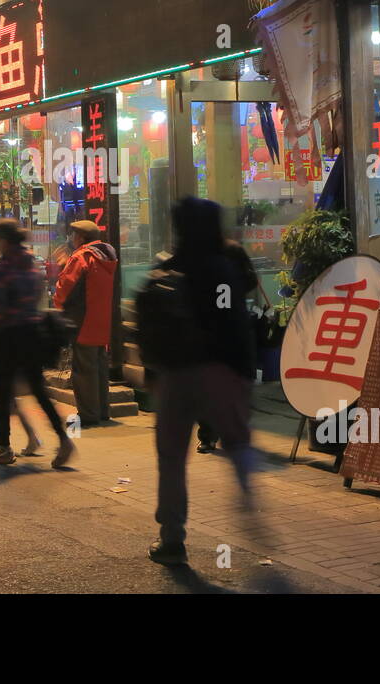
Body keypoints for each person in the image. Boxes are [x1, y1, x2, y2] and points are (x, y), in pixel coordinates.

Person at [147, 197, 257, 566]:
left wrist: (154, 373)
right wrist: (244, 373)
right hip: (220, 373)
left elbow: (150, 328)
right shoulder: (221, 267)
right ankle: (248, 503)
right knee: (238, 443)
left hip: (176, 377)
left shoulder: (169, 267)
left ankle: (172, 537)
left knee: (172, 458)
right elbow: (235, 325)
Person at [0, 219, 76, 468]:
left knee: (1, 393)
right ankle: (64, 439)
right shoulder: (32, 263)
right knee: (38, 390)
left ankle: (4, 447)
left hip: (9, 335)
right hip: (32, 332)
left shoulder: (3, 268)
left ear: (4, 240)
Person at [52, 220, 118, 425]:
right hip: (102, 320)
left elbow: (65, 288)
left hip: (83, 321)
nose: (71, 239)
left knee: (83, 370)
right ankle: (102, 411)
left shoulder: (82, 257)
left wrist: (58, 303)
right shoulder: (108, 256)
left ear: (81, 237)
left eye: (73, 235)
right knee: (99, 367)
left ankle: (89, 415)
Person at [197, 239, 259, 454]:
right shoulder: (236, 260)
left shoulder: (202, 261)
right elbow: (252, 281)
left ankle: (208, 437)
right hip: (234, 333)